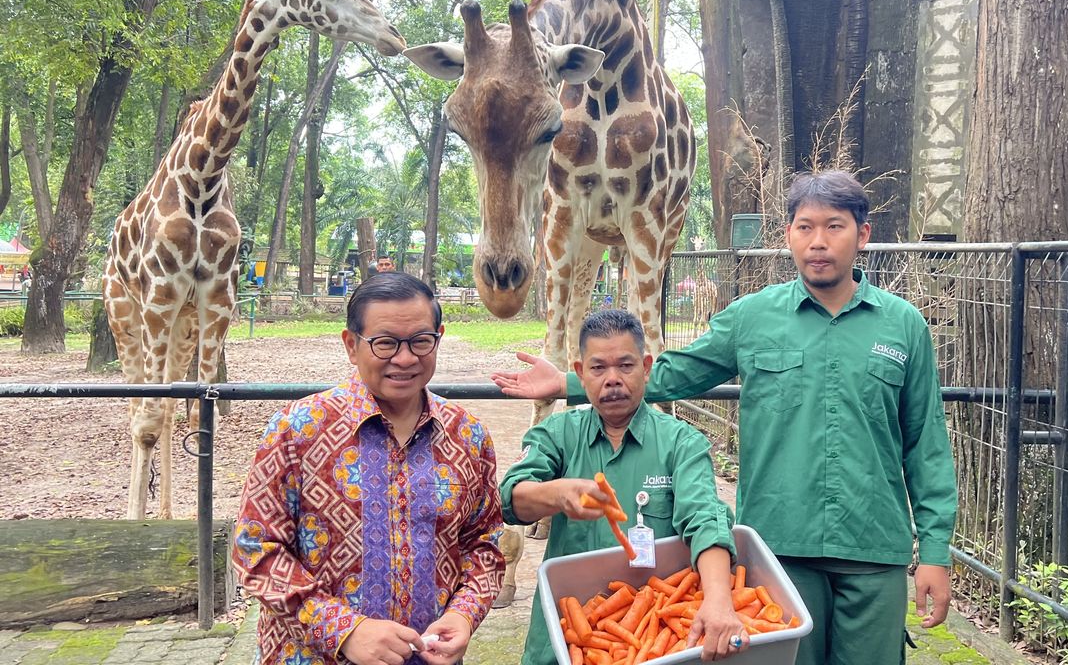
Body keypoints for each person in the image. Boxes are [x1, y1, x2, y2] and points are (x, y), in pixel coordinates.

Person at [493, 170, 958, 665]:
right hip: (780, 547)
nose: (818, 242)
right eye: (805, 227)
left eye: (835, 226)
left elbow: (926, 445)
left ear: (862, 235)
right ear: (788, 235)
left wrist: (934, 552)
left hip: (872, 550)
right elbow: (670, 372)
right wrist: (569, 381)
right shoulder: (752, 316)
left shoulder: (903, 325)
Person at [234, 272, 505, 665]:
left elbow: (485, 542)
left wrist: (464, 613)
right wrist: (344, 629)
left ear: (438, 338)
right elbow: (254, 548)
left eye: (420, 341)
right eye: (385, 343)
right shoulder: (298, 430)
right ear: (351, 345)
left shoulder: (468, 436)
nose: (405, 358)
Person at [501, 309, 745, 665]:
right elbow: (511, 498)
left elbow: (706, 520)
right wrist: (554, 494)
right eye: (598, 368)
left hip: (652, 633)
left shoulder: (681, 443)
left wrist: (719, 600)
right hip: (568, 630)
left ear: (646, 368)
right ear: (581, 374)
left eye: (626, 366)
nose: (612, 379)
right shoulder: (558, 434)